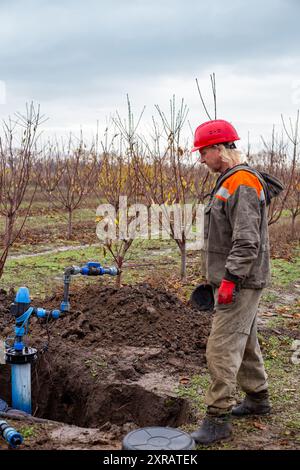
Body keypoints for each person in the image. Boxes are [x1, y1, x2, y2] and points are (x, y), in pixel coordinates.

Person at [190, 119, 284, 445]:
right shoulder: (230, 180)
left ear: (219, 148)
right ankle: (258, 398)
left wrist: (230, 280)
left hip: (240, 280)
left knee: (221, 347)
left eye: (203, 152)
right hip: (235, 278)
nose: (201, 159)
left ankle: (217, 417)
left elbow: (246, 241)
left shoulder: (242, 182)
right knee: (244, 341)